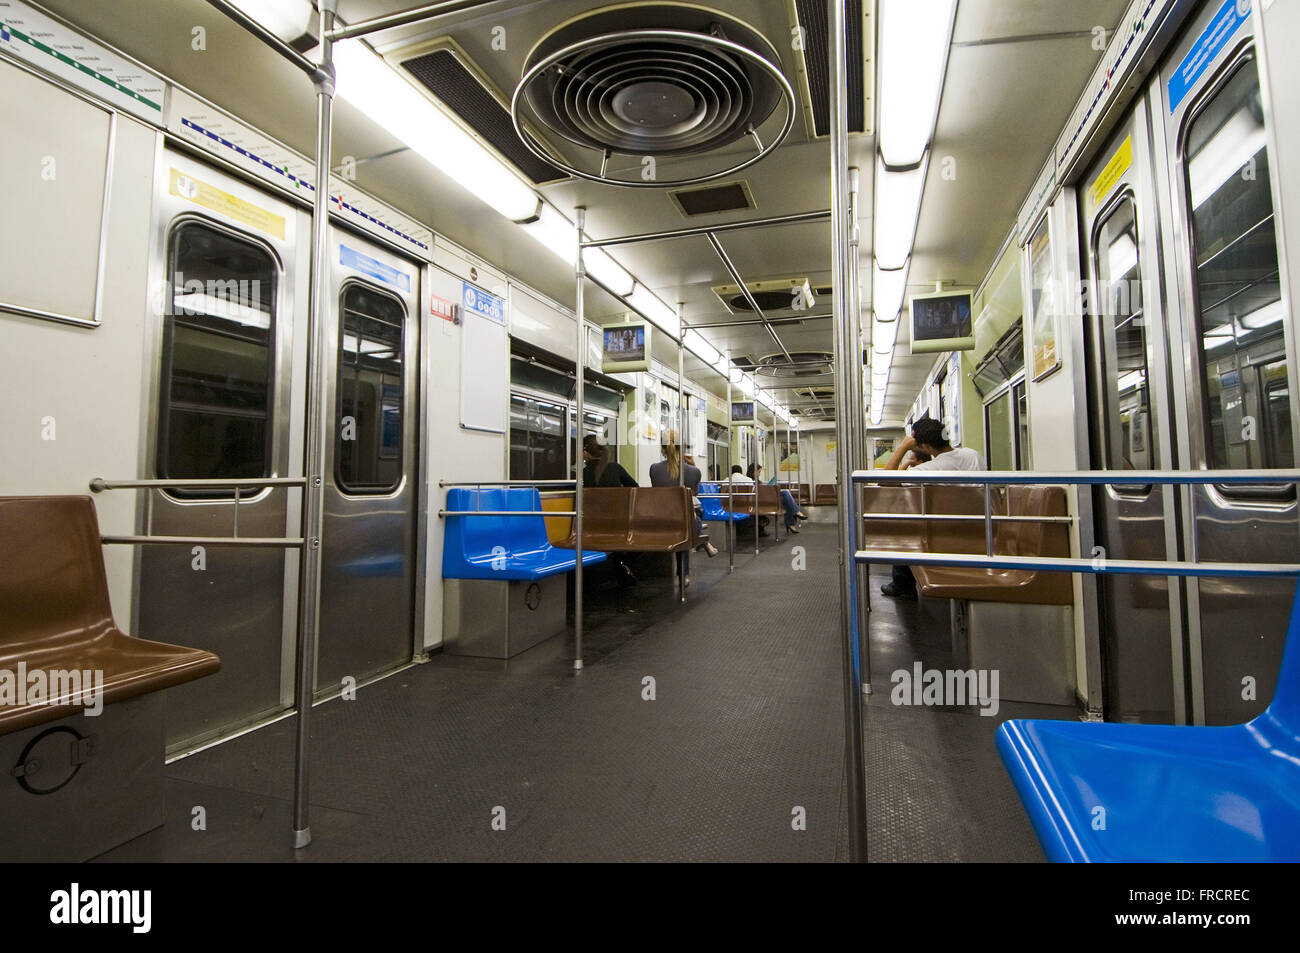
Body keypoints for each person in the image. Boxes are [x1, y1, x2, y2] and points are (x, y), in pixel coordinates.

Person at [878, 417, 987, 600]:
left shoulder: (934, 468)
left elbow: (885, 481)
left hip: (950, 531)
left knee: (906, 532)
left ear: (925, 447)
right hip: (982, 525)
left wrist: (903, 448)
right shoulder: (972, 454)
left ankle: (902, 584)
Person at [649, 438, 718, 588]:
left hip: (662, 517)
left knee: (686, 525)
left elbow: (657, 490)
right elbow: (695, 493)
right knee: (690, 524)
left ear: (662, 449)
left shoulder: (654, 469)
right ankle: (700, 545)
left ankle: (700, 547)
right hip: (684, 518)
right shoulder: (694, 471)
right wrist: (691, 464)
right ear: (684, 449)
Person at [581, 435, 638, 586]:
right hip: (617, 524)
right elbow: (635, 488)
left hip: (590, 525)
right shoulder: (615, 468)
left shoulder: (582, 474)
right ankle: (621, 564)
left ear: (586, 453)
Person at [760, 464, 809, 534]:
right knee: (786, 494)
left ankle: (792, 521)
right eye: (758, 472)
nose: (759, 474)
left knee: (786, 500)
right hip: (764, 501)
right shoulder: (752, 481)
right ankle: (795, 516)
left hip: (767, 499)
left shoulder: (754, 481)